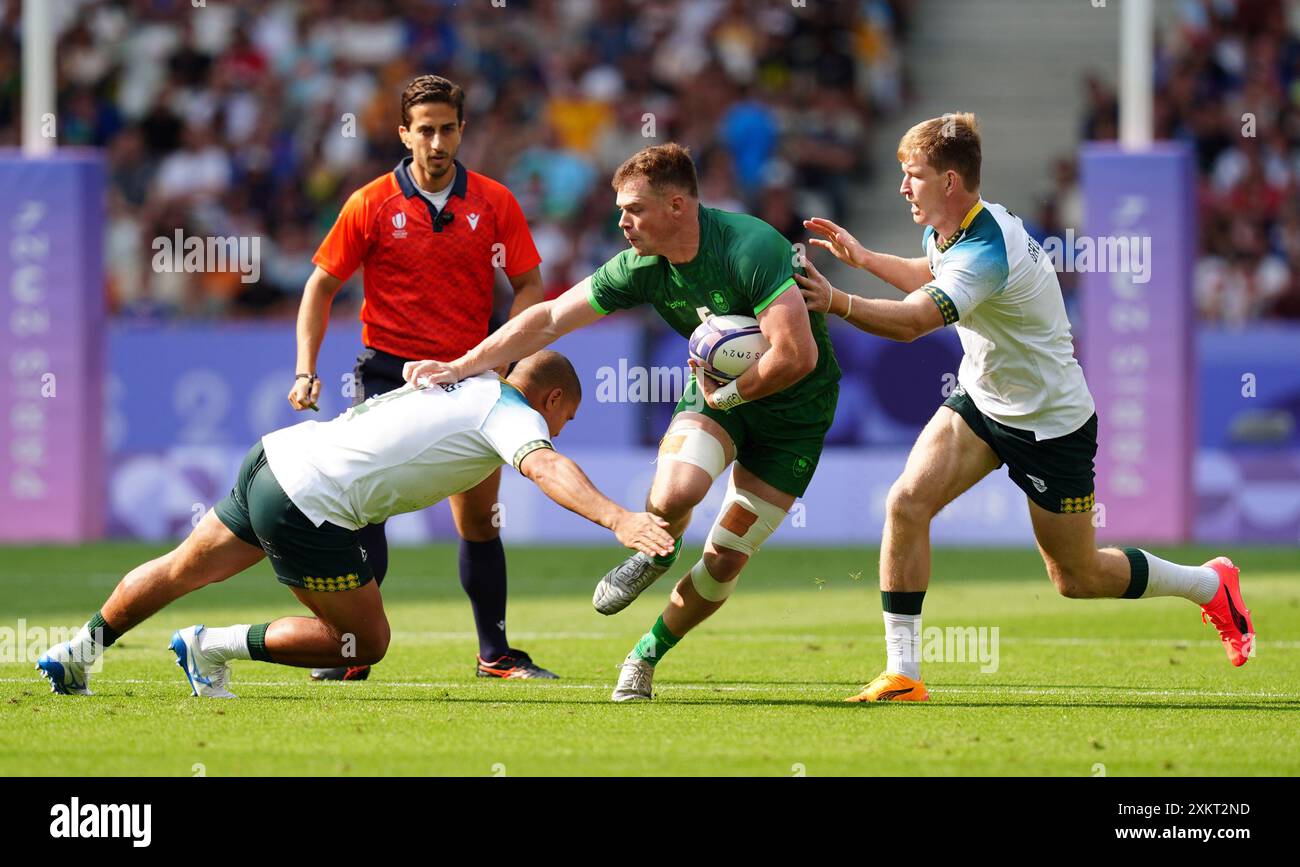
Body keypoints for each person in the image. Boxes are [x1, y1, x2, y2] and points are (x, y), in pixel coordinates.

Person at [793, 112, 1254, 702]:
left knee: (1077, 579)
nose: (903, 187)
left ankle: (1209, 584)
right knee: (906, 503)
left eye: (913, 175)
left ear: (951, 181)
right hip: (982, 406)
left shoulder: (989, 246)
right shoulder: (951, 228)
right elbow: (927, 273)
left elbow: (913, 322)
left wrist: (834, 299)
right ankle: (904, 673)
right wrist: (863, 259)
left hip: (1051, 424)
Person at [404, 143, 841, 702]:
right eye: (619, 208)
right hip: (720, 393)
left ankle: (643, 656)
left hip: (796, 416)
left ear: (678, 206)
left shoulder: (752, 247)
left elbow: (796, 357)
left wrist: (728, 397)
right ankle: (654, 551)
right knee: (676, 493)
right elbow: (551, 317)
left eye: (634, 208)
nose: (621, 221)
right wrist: (463, 365)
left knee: (725, 558)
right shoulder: (640, 264)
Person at [37, 352, 674, 698]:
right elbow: (546, 466)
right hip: (310, 504)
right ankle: (210, 645)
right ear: (552, 400)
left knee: (180, 567)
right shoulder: (511, 414)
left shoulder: (464, 381)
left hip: (276, 457)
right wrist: (617, 517)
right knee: (361, 645)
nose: (555, 429)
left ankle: (79, 651)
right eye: (562, 419)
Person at [288, 75, 552, 681]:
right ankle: (352, 651)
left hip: (469, 377)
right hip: (387, 375)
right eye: (425, 129)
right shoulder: (372, 203)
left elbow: (531, 284)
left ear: (462, 130)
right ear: (404, 133)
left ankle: (495, 654)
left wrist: (503, 360)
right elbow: (321, 285)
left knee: (479, 518)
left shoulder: (494, 203)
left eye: (448, 128)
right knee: (364, 512)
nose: (437, 141)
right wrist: (305, 368)